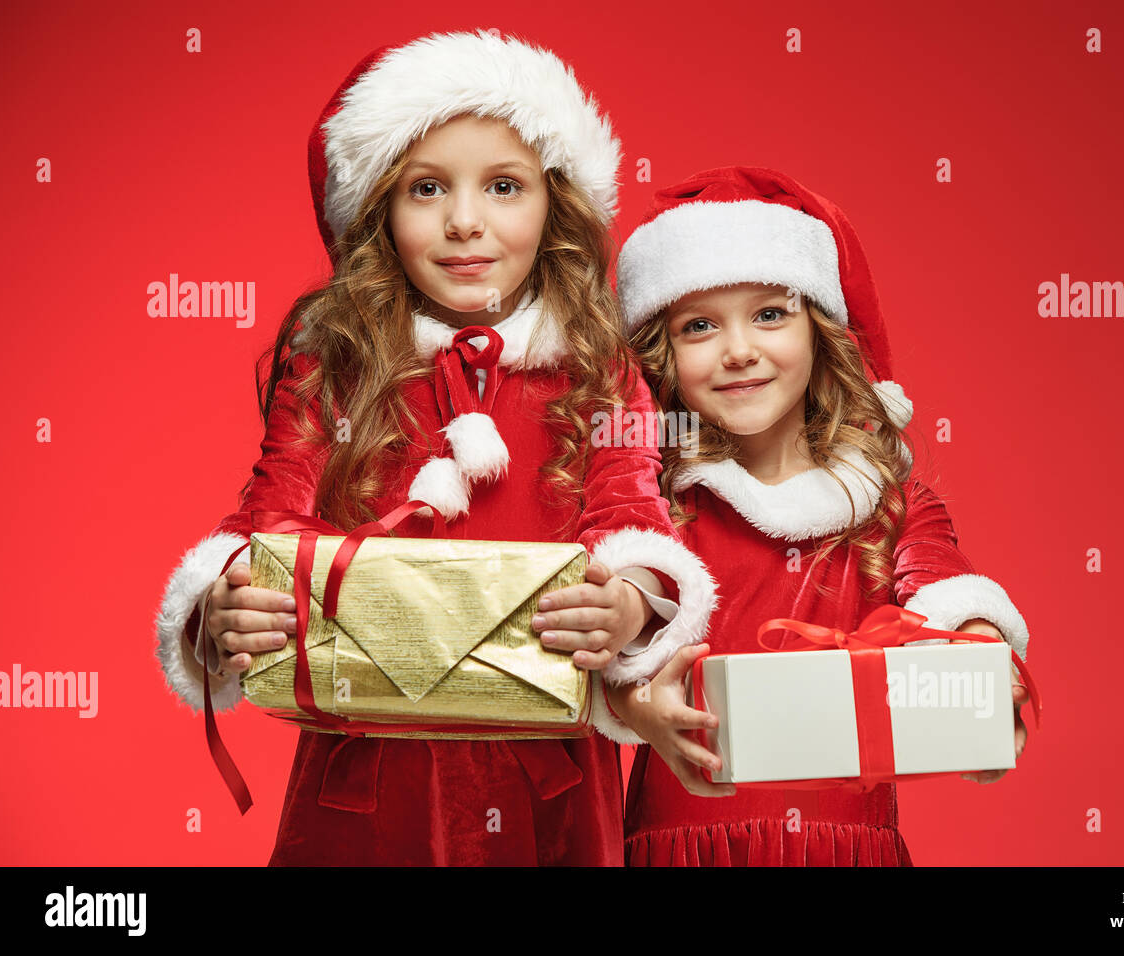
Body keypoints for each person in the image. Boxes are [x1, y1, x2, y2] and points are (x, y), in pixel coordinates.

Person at [153, 31, 716, 866]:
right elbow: (267, 521)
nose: (464, 221)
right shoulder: (333, 367)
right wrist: (220, 608)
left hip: (548, 783)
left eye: (502, 186)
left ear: (553, 204)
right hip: (366, 780)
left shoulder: (598, 372)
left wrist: (630, 600)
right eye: (426, 188)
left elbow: (633, 515)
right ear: (379, 210)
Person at [607, 166, 1033, 866]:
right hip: (681, 846)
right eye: (700, 325)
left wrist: (984, 672)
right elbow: (610, 656)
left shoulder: (889, 505)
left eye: (770, 314)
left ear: (820, 331)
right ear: (662, 354)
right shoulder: (652, 503)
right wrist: (637, 710)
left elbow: (951, 598)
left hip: (845, 851)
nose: (739, 349)